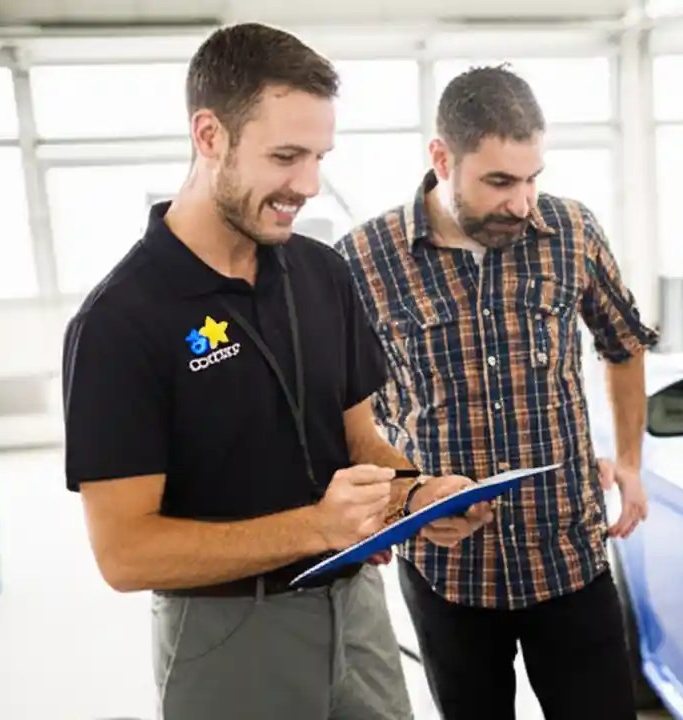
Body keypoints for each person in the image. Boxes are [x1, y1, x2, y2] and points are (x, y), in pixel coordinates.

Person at [60, 23, 490, 720]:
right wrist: (317, 528)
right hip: (227, 638)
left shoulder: (321, 273)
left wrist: (416, 498)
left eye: (319, 156)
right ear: (209, 136)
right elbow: (125, 553)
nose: (310, 185)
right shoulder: (119, 322)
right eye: (286, 156)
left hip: (357, 617)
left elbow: (359, 442)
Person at [335, 64, 658, 719]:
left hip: (569, 555)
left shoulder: (572, 232)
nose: (523, 203)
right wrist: (393, 501)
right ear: (441, 158)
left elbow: (623, 344)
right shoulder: (363, 259)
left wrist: (628, 461)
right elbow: (340, 407)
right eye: (500, 181)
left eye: (534, 177)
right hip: (448, 572)